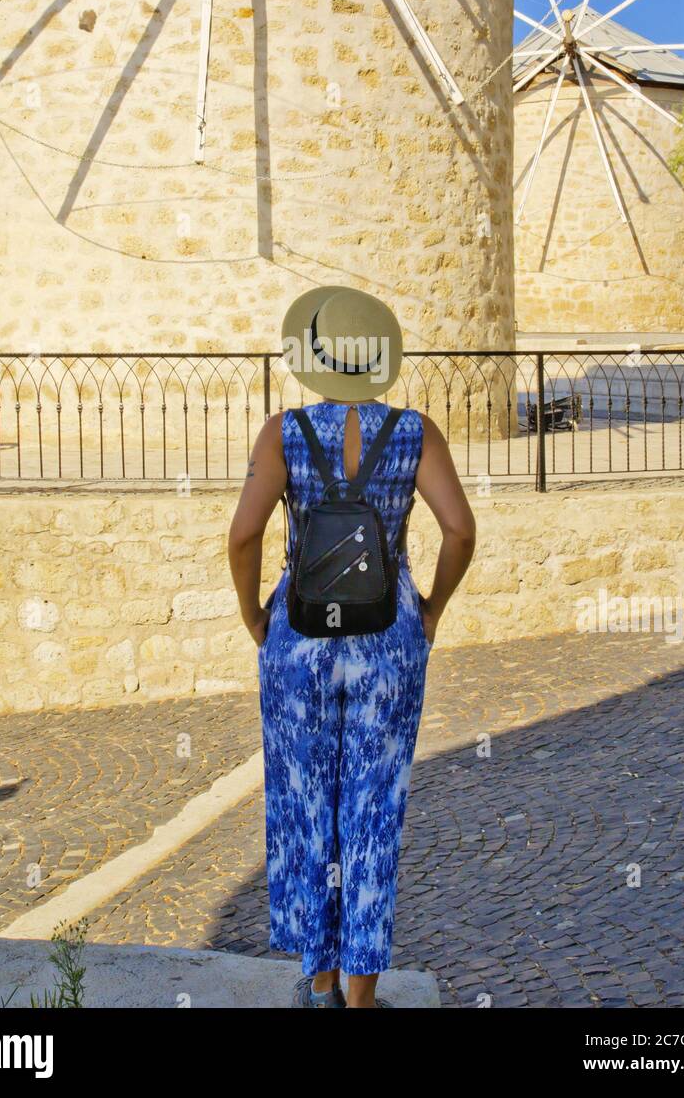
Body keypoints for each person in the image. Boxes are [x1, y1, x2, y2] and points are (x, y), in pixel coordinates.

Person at [228, 286, 475, 1008]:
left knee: (306, 805)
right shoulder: (415, 430)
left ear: (312, 359)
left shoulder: (283, 432)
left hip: (298, 642)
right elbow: (459, 530)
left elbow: (243, 535)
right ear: (381, 359)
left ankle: (319, 980)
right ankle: (360, 1000)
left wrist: (254, 616)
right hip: (387, 642)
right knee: (373, 812)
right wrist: (429, 609)